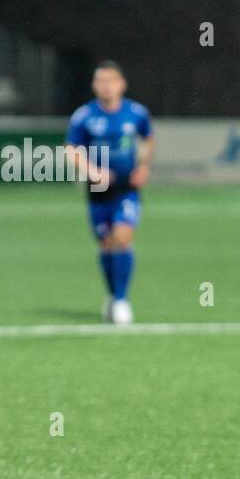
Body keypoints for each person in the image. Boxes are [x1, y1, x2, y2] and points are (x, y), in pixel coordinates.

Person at [64, 62, 154, 324]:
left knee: (123, 237)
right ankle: (113, 294)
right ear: (94, 85)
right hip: (99, 188)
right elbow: (72, 148)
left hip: (127, 186)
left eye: (110, 80)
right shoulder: (84, 116)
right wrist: (92, 171)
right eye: (100, 81)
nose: (106, 85)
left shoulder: (136, 113)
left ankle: (123, 300)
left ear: (122, 83)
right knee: (105, 244)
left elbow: (148, 139)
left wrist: (144, 166)